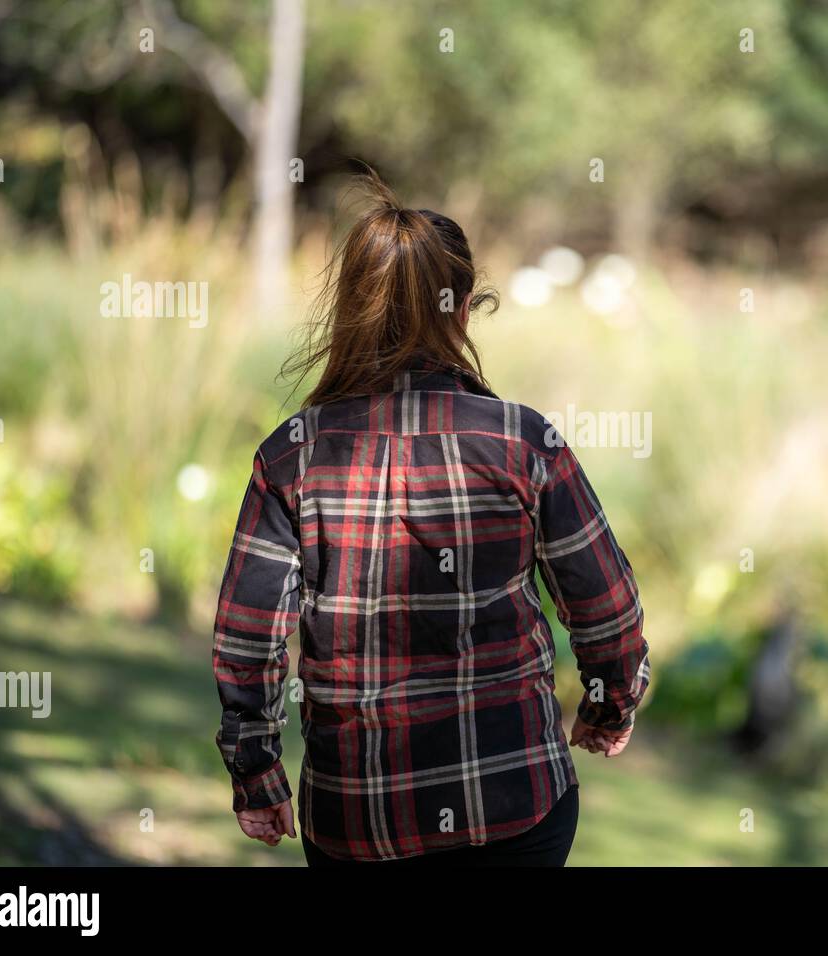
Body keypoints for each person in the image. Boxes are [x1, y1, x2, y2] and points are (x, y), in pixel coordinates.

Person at [211, 172, 650, 866]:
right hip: (515, 808)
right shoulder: (525, 443)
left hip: (357, 821)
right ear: (464, 310)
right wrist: (608, 704)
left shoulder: (292, 455)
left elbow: (247, 638)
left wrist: (256, 772)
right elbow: (606, 608)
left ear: (351, 308)